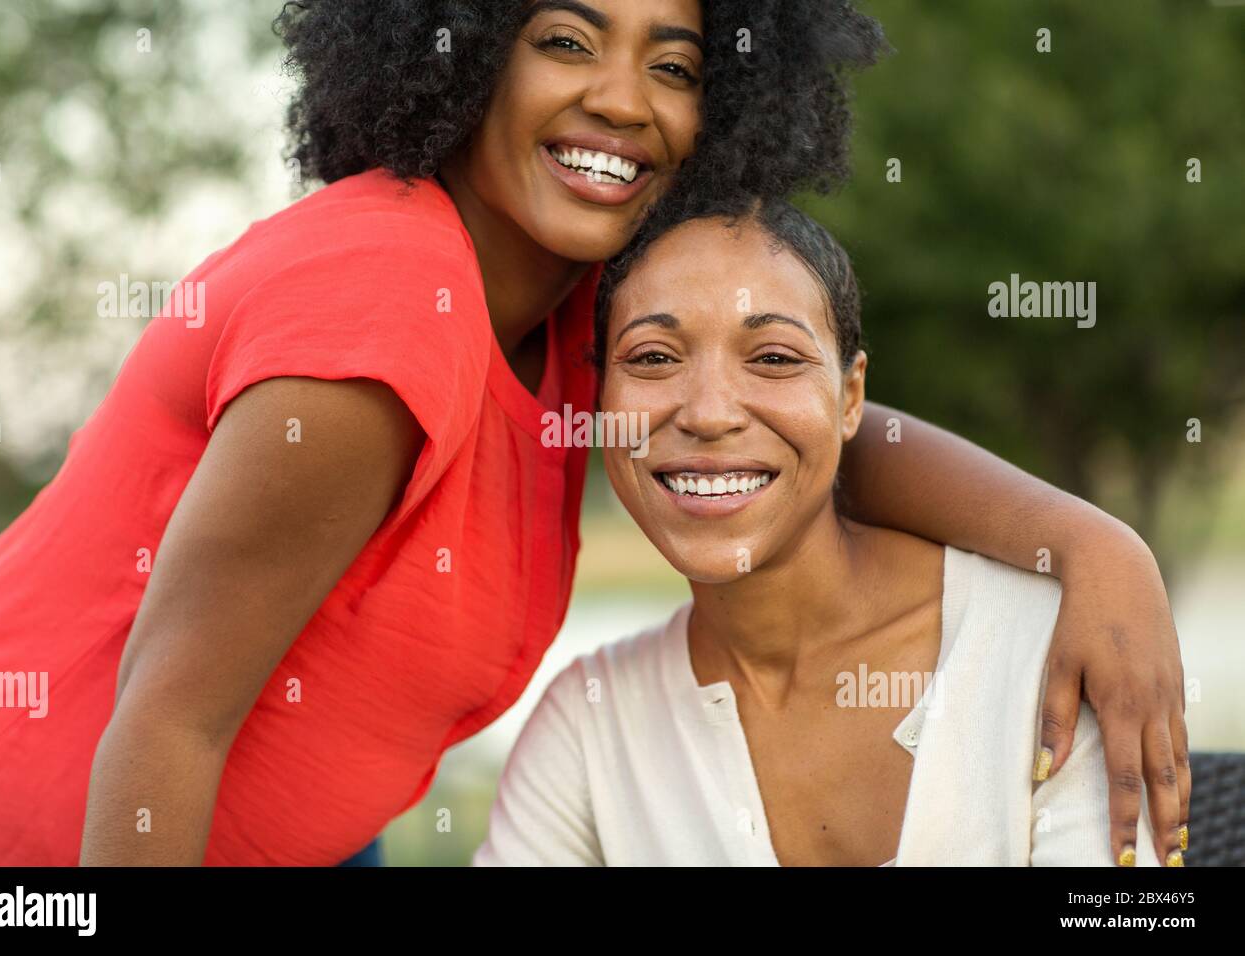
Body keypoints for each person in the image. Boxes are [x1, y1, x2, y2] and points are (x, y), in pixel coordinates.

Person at [0, 0, 1186, 867]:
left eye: (677, 63)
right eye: (566, 41)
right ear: (469, 51)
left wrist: (1088, 548)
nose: (621, 99)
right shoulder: (386, 297)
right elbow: (167, 719)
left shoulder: (583, 301)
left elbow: (802, 424)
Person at [474, 198, 1169, 866]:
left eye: (774, 357)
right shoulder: (593, 724)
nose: (709, 414)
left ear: (852, 398)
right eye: (654, 358)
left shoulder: (1051, 649)